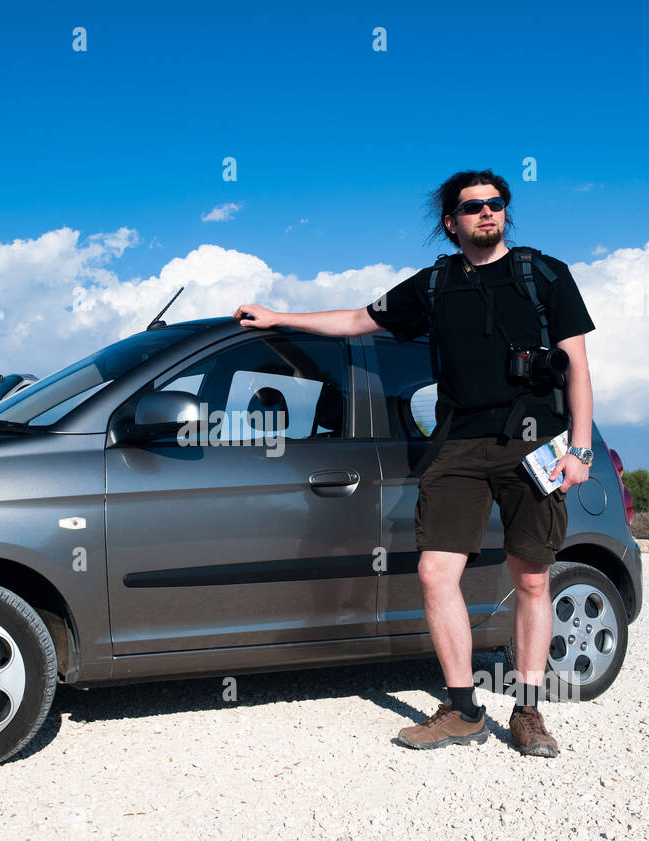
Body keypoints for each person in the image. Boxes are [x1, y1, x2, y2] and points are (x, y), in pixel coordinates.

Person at [234, 169, 596, 757]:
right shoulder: (434, 285)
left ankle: (528, 711)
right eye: (472, 206)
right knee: (434, 572)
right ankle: (462, 707)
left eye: (495, 203)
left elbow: (577, 363)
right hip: (456, 444)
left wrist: (579, 448)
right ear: (451, 222)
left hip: (535, 446)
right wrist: (281, 317)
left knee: (531, 578)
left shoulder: (545, 274)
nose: (487, 212)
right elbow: (357, 319)